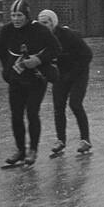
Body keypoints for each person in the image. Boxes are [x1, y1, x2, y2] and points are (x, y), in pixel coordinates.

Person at [0, 0, 60, 167]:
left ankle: (33, 150)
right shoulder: (7, 31)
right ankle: (20, 150)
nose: (16, 19)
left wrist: (39, 59)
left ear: (27, 15)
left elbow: (55, 48)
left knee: (32, 113)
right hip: (16, 79)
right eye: (13, 15)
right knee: (16, 116)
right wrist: (6, 69)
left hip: (36, 78)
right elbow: (0, 48)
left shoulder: (38, 29)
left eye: (20, 15)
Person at [36, 10, 93, 157]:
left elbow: (87, 54)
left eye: (46, 23)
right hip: (61, 74)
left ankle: (85, 140)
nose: (43, 26)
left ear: (53, 23)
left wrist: (74, 73)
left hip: (78, 72)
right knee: (58, 106)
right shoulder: (41, 38)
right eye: (40, 23)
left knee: (75, 103)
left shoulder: (68, 35)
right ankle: (60, 140)